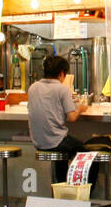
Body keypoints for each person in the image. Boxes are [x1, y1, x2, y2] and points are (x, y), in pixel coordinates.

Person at [26, 55, 92, 186]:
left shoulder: (33, 87)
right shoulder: (62, 89)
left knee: (63, 152)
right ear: (62, 73)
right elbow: (72, 117)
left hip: (38, 141)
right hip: (56, 140)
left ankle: (61, 189)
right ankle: (86, 192)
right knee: (87, 155)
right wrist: (80, 109)